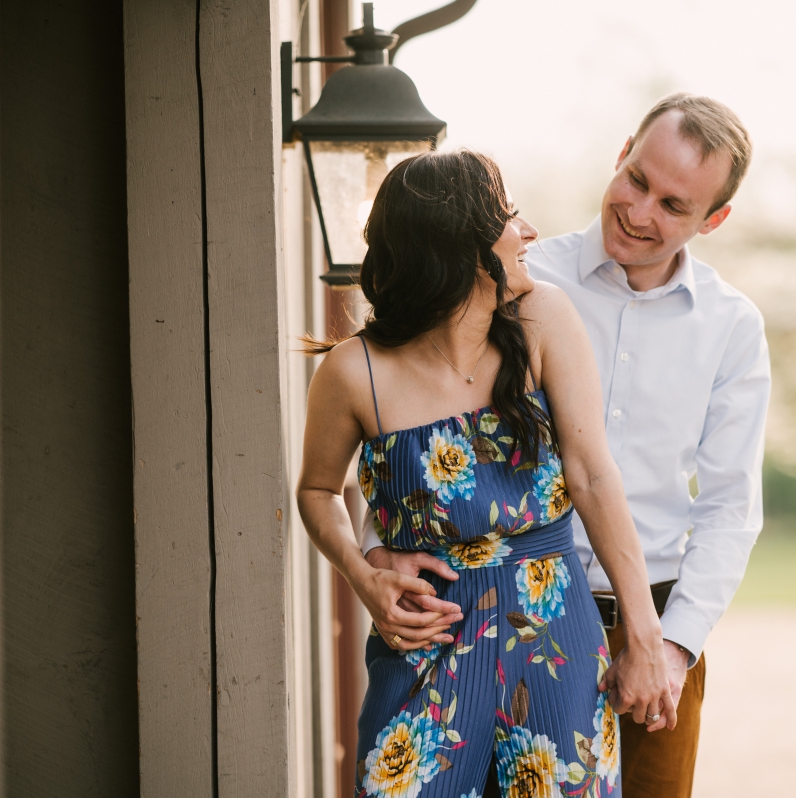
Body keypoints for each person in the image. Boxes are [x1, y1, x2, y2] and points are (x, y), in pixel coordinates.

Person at [364, 93, 770, 798]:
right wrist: (379, 550)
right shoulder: (511, 274)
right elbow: (407, 419)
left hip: (653, 630)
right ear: (622, 153)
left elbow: (729, 507)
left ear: (713, 220)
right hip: (498, 615)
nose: (640, 212)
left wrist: (671, 646)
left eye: (674, 205)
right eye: (637, 180)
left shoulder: (731, 327)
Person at [297, 149, 674, 798]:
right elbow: (317, 490)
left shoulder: (543, 318)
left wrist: (644, 636)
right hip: (427, 632)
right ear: (458, 245)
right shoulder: (353, 373)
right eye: (509, 217)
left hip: (554, 628)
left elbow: (592, 476)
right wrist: (362, 574)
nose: (528, 232)